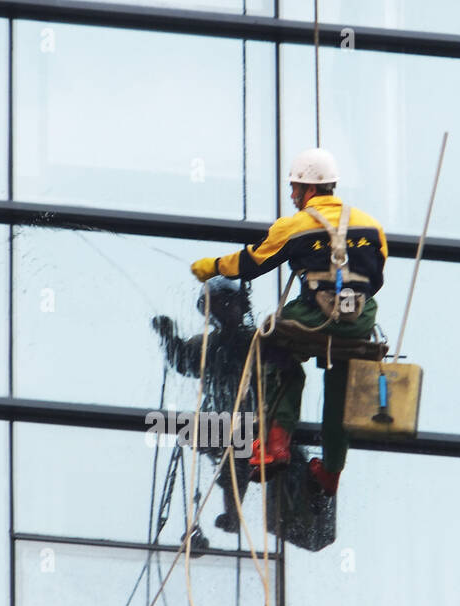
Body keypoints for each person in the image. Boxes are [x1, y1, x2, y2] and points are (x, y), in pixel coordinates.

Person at [189, 147, 387, 496]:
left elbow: (253, 262)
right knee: (340, 388)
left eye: (295, 188)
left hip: (314, 316)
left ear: (309, 189)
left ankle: (274, 444)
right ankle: (331, 471)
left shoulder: (294, 226)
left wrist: (213, 266)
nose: (293, 195)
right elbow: (378, 277)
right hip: (359, 323)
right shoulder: (372, 226)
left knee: (273, 345)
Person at [150, 277, 257, 533]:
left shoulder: (255, 341)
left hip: (248, 420)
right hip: (220, 419)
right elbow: (182, 360)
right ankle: (232, 511)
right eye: (216, 307)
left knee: (236, 461)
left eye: (227, 304)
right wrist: (168, 336)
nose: (222, 311)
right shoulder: (210, 345)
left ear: (241, 307)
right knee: (228, 459)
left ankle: (233, 513)